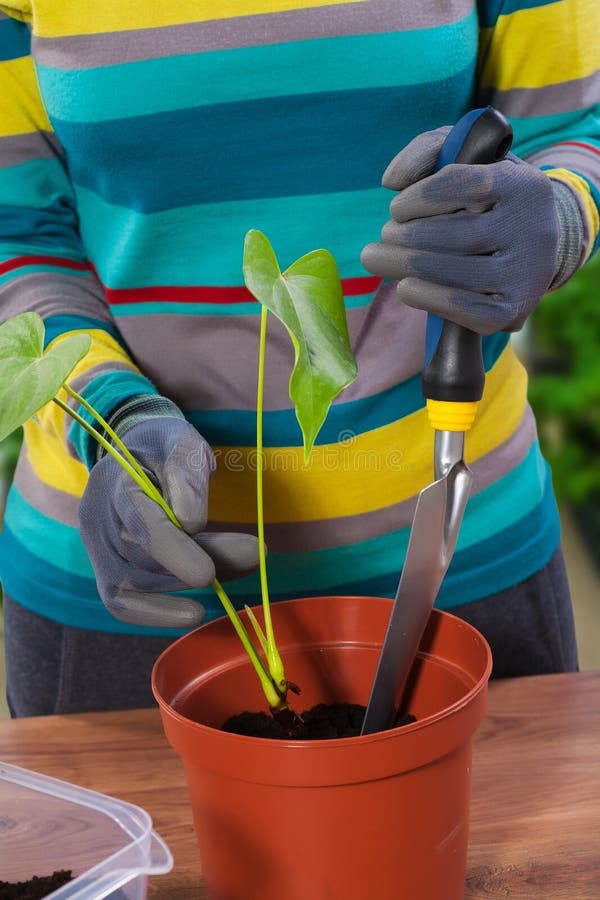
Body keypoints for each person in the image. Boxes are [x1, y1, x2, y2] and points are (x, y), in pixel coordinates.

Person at [0, 1, 598, 717]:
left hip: (453, 544)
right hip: (138, 569)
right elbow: (18, 233)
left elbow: (570, 131)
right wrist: (114, 420)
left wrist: (558, 217)